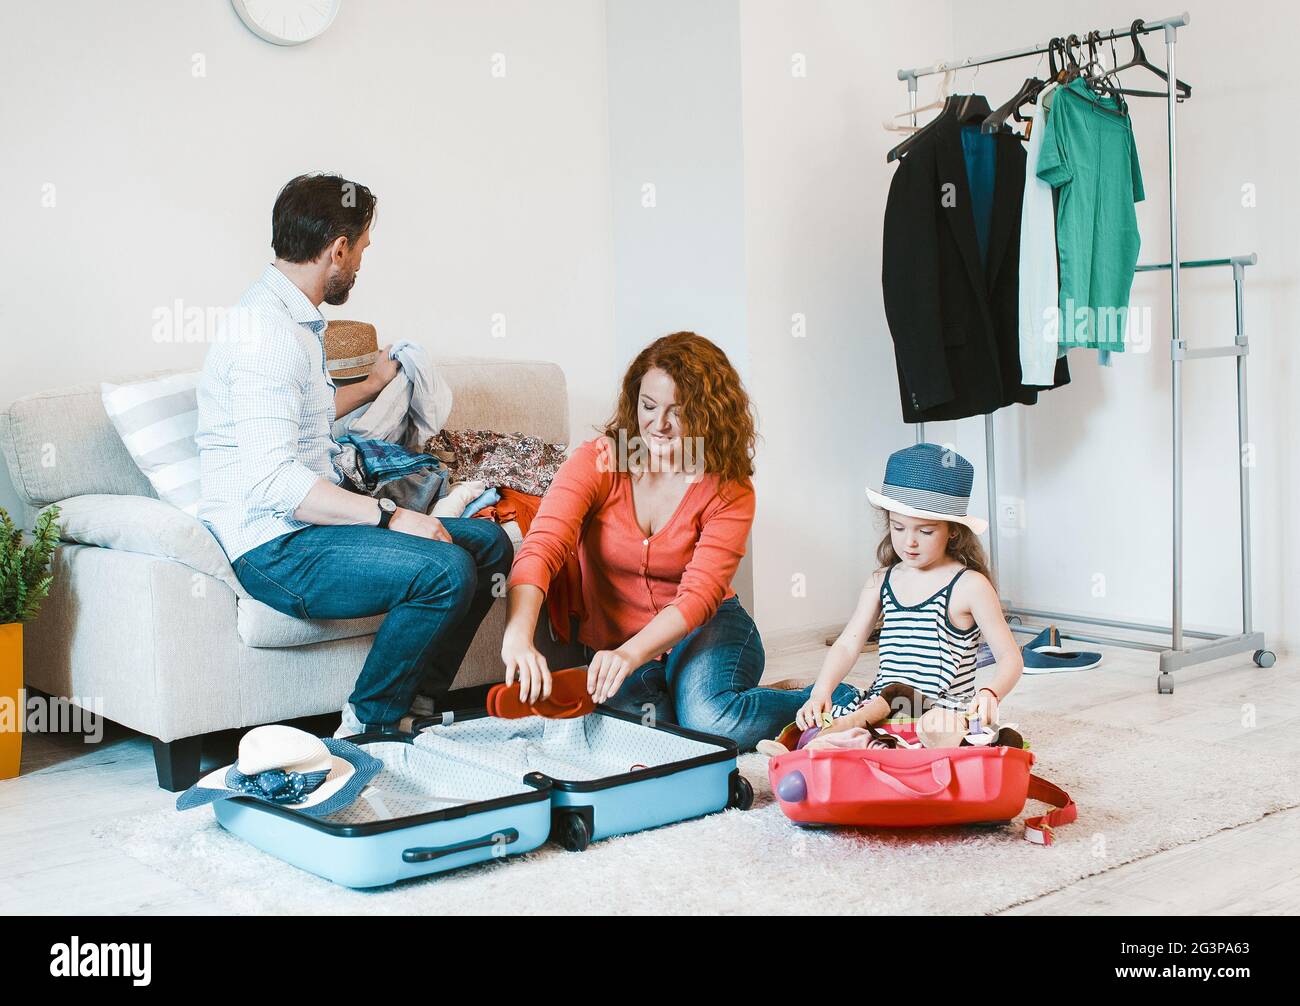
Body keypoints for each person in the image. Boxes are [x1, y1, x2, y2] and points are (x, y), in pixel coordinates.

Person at [195, 173, 511, 737]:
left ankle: (418, 709)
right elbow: (272, 481)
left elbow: (302, 418)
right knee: (443, 568)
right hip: (275, 546)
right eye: (362, 247)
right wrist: (394, 516)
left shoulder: (293, 321)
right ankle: (368, 726)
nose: (362, 261)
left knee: (488, 544)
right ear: (337, 248)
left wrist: (372, 385)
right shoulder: (264, 335)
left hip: (306, 529)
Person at [499, 331, 821, 751]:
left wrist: (630, 655)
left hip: (708, 628)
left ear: (708, 415)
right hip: (619, 645)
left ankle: (826, 698)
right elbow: (542, 545)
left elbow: (700, 596)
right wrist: (517, 636)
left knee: (712, 724)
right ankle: (709, 695)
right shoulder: (600, 461)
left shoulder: (729, 487)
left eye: (679, 412)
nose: (659, 424)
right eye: (648, 406)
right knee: (650, 736)